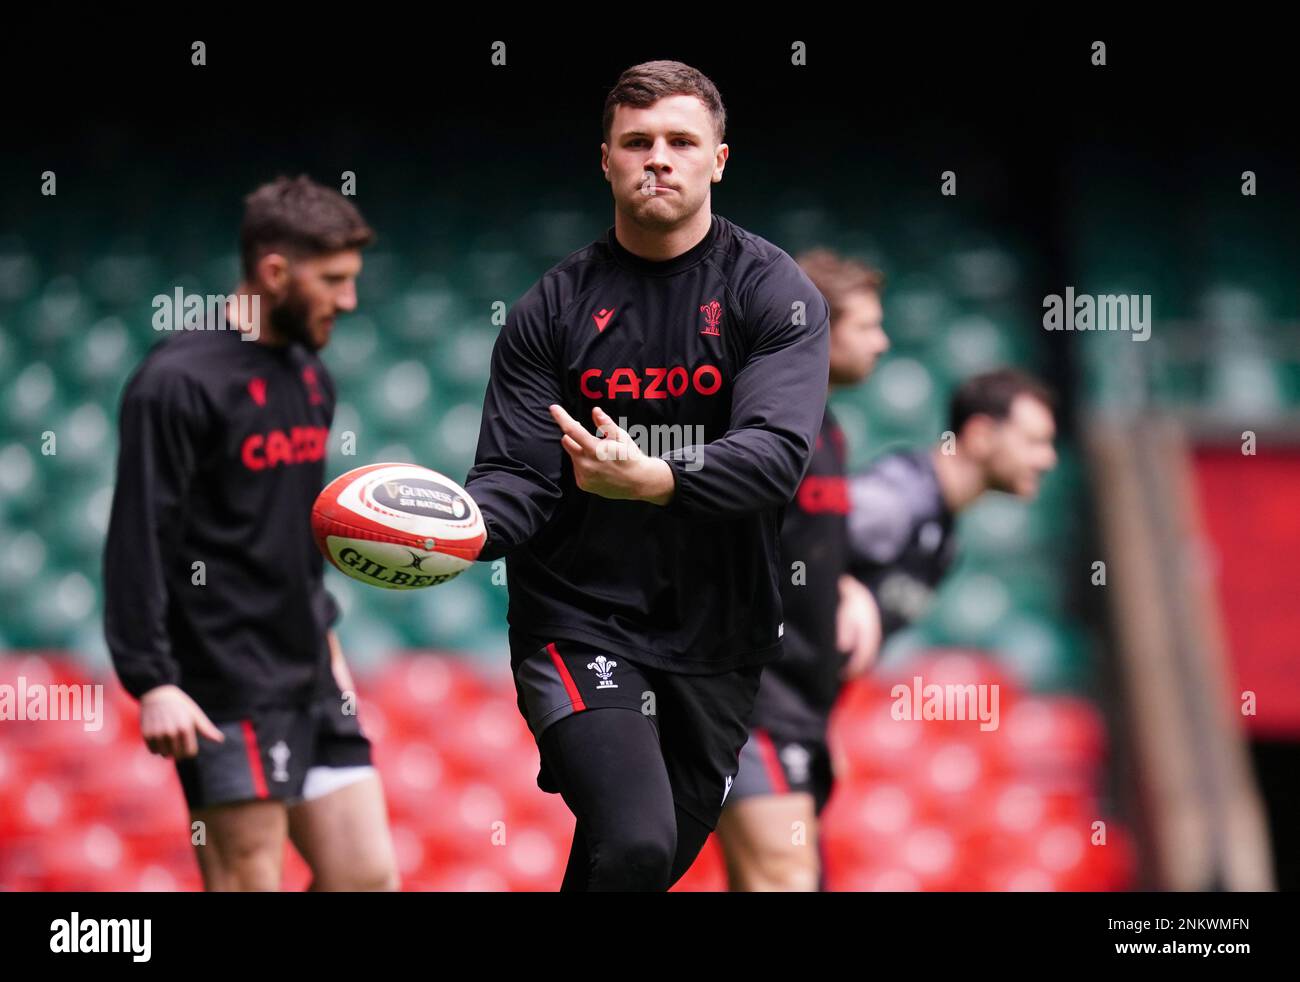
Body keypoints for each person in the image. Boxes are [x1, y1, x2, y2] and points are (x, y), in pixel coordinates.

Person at [464, 60, 830, 891]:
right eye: (636, 142)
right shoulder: (549, 310)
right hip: (579, 616)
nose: (656, 158)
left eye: (679, 141)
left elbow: (774, 455)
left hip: (719, 636)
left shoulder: (775, 294)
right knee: (632, 841)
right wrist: (459, 527)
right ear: (606, 161)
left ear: (719, 160)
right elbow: (516, 477)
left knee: (634, 865)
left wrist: (657, 477)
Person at [103, 175, 398, 891]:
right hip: (224, 682)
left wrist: (327, 648)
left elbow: (292, 535)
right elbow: (137, 539)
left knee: (367, 876)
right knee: (248, 883)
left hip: (310, 673)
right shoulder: (175, 382)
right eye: (332, 280)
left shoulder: (309, 374)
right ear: (273, 271)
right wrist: (153, 683)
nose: (349, 300)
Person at [721, 365, 1058, 890]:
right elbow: (773, 538)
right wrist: (834, 580)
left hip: (795, 713)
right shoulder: (894, 504)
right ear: (981, 435)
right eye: (1035, 441)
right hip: (755, 707)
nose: (1047, 458)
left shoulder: (942, 536)